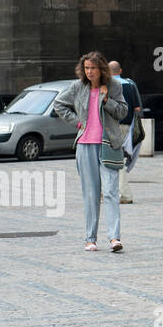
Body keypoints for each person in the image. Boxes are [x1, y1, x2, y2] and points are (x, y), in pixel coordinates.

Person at [53, 52, 130, 253]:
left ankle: (114, 238)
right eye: (86, 68)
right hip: (85, 145)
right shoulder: (78, 87)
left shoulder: (114, 86)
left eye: (93, 68)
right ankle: (90, 239)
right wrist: (77, 122)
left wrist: (107, 101)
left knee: (112, 192)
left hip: (108, 145)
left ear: (101, 69)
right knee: (91, 194)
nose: (89, 72)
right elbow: (59, 104)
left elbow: (123, 112)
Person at [108, 61, 142, 205]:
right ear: (120, 70)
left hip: (112, 126)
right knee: (115, 158)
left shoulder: (108, 85)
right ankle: (110, 191)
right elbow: (137, 109)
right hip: (126, 126)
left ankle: (123, 193)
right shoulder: (129, 85)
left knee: (111, 159)